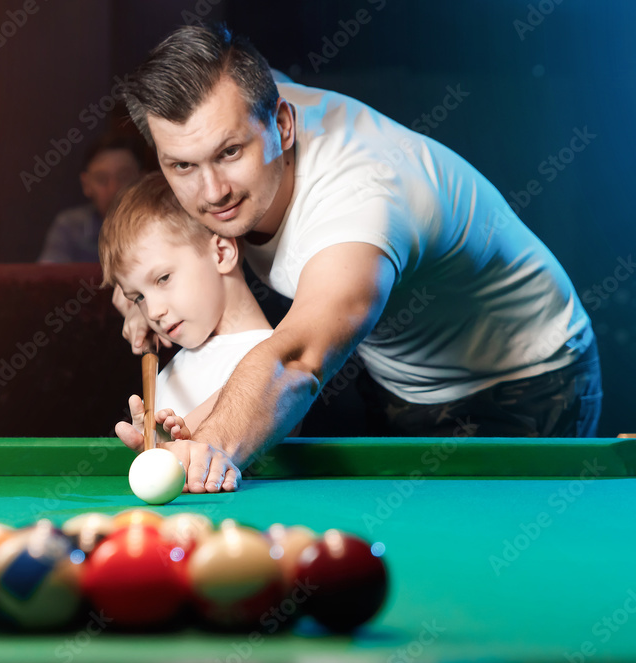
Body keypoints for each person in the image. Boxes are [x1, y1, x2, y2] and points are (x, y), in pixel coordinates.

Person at [112, 23, 602, 493]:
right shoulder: (238, 102)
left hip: (525, 382)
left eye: (230, 153)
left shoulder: (360, 203)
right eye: (182, 165)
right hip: (398, 379)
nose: (212, 192)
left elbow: (298, 360)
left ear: (283, 124)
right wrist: (143, 292)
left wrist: (207, 447)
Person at [100, 172, 274, 459]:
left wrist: (168, 448)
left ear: (221, 253)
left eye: (163, 278)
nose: (153, 311)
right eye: (139, 297)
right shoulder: (174, 368)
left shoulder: (276, 361)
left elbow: (245, 432)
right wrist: (155, 442)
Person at [37, 133, 146, 263]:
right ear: (86, 184)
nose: (113, 189)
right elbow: (49, 272)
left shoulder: (158, 226)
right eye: (101, 179)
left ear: (142, 180)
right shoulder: (70, 226)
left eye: (123, 177)